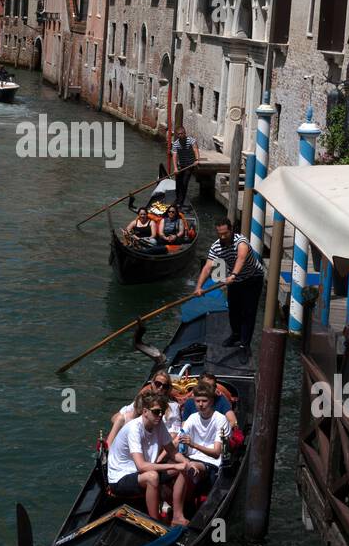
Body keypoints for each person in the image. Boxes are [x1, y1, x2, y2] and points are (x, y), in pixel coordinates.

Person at [106, 392, 189, 519]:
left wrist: (186, 463)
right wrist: (175, 466)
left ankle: (178, 516)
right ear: (145, 411)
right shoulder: (134, 428)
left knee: (184, 468)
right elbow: (142, 466)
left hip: (139, 473)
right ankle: (155, 522)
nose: (160, 415)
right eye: (156, 412)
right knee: (152, 476)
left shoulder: (159, 424)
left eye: (162, 412)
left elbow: (173, 452)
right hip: (120, 478)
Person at [195, 218, 265, 357]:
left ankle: (245, 345)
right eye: (220, 234)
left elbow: (241, 258)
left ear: (231, 230)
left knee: (248, 312)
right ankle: (236, 334)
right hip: (234, 280)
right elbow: (208, 267)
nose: (222, 237)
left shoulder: (241, 241)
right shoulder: (216, 246)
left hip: (253, 278)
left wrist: (233, 275)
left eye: (225, 233)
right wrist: (199, 287)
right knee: (233, 310)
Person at [171, 386, 232, 526]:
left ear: (211, 401)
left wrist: (193, 445)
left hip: (210, 463)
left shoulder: (221, 420)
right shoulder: (193, 418)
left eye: (204, 401)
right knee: (168, 469)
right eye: (197, 401)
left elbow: (217, 453)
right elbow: (176, 441)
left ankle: (177, 516)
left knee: (185, 468)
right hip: (191, 459)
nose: (200, 404)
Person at [108, 372, 182, 444]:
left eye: (164, 386)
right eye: (158, 384)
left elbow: (174, 432)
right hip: (138, 437)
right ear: (152, 384)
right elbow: (115, 418)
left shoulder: (173, 406)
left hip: (160, 442)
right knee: (121, 419)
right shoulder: (144, 400)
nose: (161, 388)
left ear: (167, 388)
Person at [170, 127, 201, 208]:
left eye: (181, 134)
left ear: (185, 133)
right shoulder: (176, 143)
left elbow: (195, 149)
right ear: (177, 135)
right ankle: (177, 199)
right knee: (178, 183)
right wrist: (175, 168)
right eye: (178, 134)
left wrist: (197, 159)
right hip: (181, 165)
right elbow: (174, 156)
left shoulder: (191, 140)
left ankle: (180, 202)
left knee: (184, 183)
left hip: (190, 164)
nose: (180, 135)